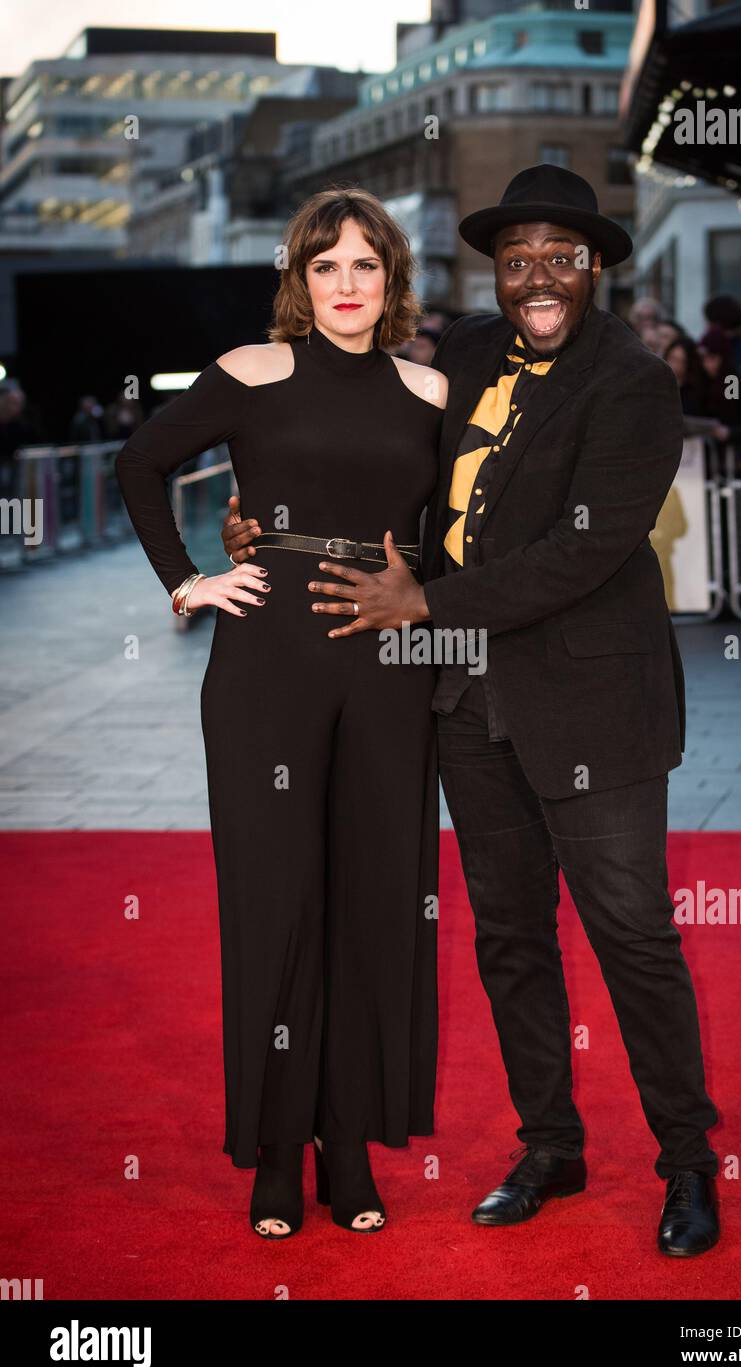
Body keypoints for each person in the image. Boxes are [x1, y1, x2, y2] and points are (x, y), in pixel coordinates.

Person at [225, 165, 722, 1258]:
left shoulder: (631, 384)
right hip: (461, 695)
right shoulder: (453, 354)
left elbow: (583, 552)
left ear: (593, 267)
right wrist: (264, 516)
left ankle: (686, 1159)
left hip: (589, 703)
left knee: (631, 934)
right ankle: (549, 1143)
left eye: (561, 257)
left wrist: (426, 601)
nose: (537, 278)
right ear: (492, 272)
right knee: (507, 935)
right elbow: (353, 433)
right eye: (517, 260)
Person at [115, 188, 446, 1240]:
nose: (346, 285)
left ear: (392, 278)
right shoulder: (253, 371)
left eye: (365, 265)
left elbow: (456, 529)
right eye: (325, 266)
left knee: (377, 902)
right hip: (269, 659)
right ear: (299, 281)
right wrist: (188, 581)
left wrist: (429, 592)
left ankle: (348, 1148)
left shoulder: (432, 387)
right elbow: (140, 463)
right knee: (276, 902)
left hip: (389, 659)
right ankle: (275, 1150)